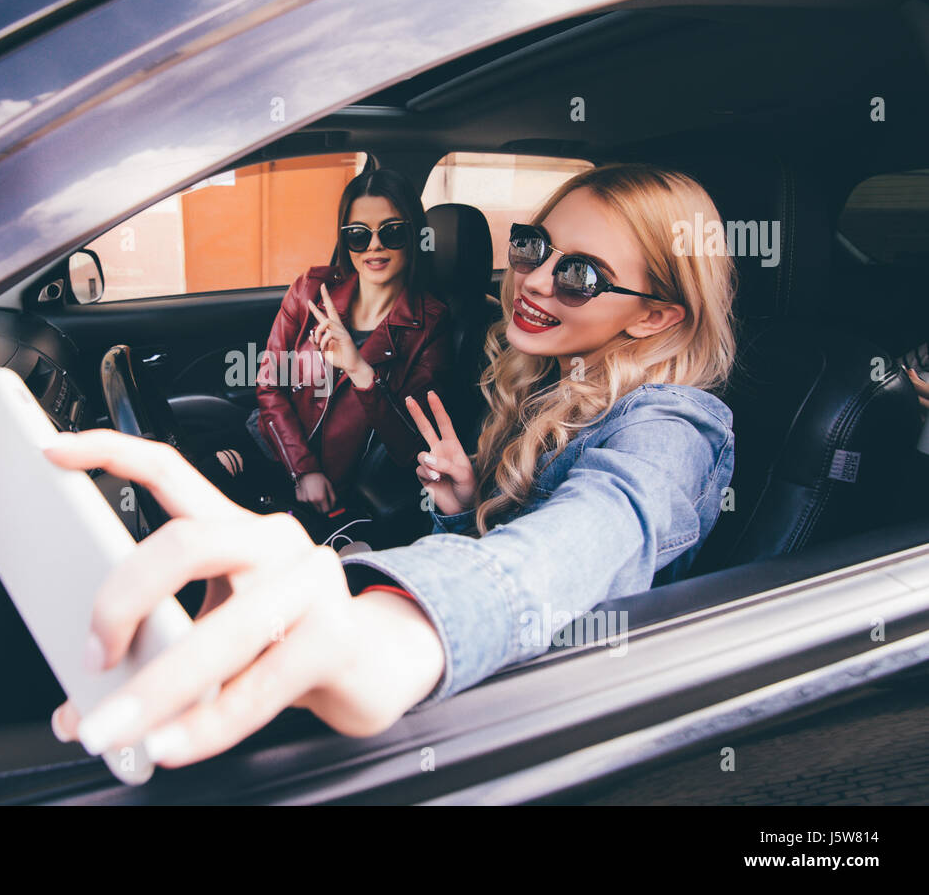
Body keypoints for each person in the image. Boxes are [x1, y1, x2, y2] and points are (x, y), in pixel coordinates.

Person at [45, 162, 737, 770]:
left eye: (580, 275)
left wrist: (402, 626)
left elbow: (594, 533)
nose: (534, 279)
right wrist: (464, 504)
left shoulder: (672, 431)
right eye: (533, 247)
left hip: (565, 710)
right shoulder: (553, 377)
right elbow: (272, 384)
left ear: (654, 317)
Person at [213, 167, 451, 533]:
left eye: (391, 232)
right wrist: (303, 469)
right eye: (358, 235)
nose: (374, 246)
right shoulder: (310, 290)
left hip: (343, 494)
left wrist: (361, 371)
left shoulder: (430, 325)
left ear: (414, 234)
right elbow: (270, 383)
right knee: (191, 481)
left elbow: (410, 447)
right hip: (275, 448)